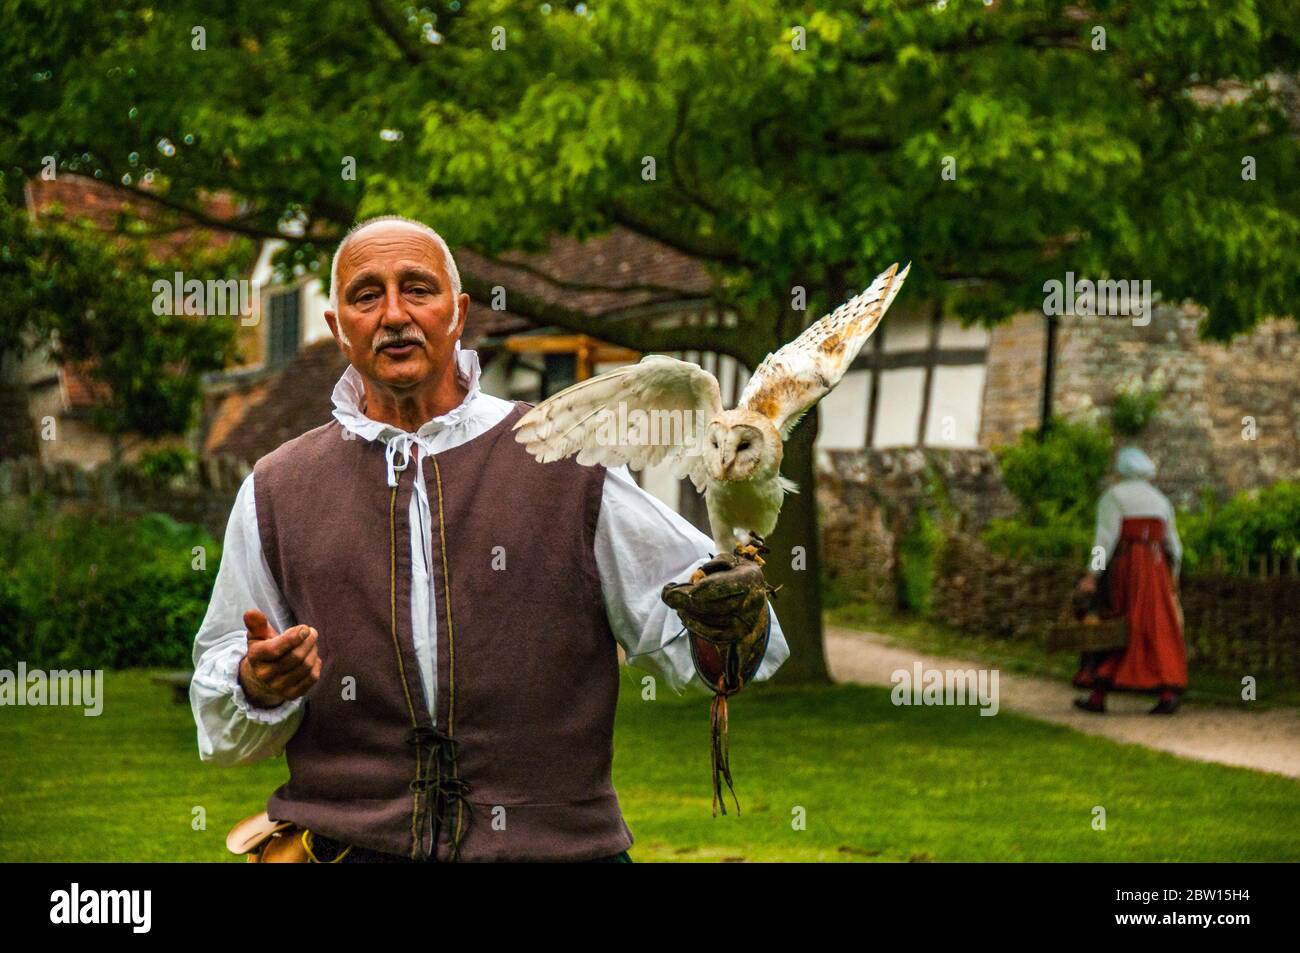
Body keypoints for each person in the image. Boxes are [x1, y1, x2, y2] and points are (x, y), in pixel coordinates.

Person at [190, 215, 788, 862]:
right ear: (337, 327)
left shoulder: (566, 457)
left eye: (418, 289)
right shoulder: (278, 489)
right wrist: (256, 681)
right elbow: (220, 719)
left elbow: (698, 641)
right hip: (351, 849)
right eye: (366, 295)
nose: (394, 313)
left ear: (458, 313)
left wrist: (727, 621)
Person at [1073, 447, 1187, 715]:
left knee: (1118, 624)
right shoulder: (1161, 500)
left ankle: (1098, 695)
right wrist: (1172, 577)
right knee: (1157, 627)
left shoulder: (1114, 496)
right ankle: (1168, 691)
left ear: (1122, 470)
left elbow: (1105, 539)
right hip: (1157, 569)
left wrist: (1092, 574)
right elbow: (1175, 546)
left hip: (1127, 569)